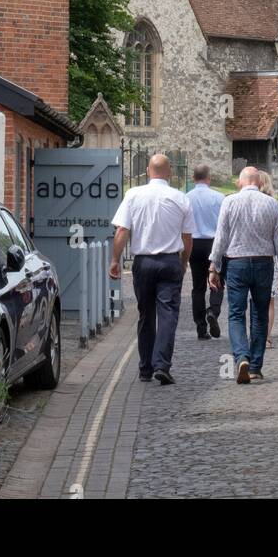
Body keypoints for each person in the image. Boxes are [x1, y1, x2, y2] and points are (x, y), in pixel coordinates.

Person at [110, 153, 193, 386]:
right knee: (168, 314)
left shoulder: (133, 195)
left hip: (143, 262)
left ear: (148, 170)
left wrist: (115, 260)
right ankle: (162, 365)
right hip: (169, 262)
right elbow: (188, 238)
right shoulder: (180, 198)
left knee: (146, 314)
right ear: (170, 173)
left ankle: (145, 368)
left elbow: (122, 231)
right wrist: (184, 261)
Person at [208, 166, 278, 384]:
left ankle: (241, 357)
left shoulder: (229, 202)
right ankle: (255, 367)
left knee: (236, 313)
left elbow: (221, 238)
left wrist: (213, 267)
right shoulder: (272, 203)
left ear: (240, 182)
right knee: (260, 313)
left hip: (237, 263)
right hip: (264, 263)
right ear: (259, 182)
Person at [187, 164, 225, 340]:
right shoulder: (219, 197)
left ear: (193, 178)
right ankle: (213, 311)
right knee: (217, 280)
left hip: (194, 244)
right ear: (209, 178)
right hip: (213, 243)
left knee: (198, 287)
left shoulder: (186, 198)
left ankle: (201, 328)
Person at [257, 172, 278, 347]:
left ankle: (252, 336)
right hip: (269, 258)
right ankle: (266, 337)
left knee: (249, 302)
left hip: (244, 258)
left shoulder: (242, 202)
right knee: (268, 301)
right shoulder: (274, 205)